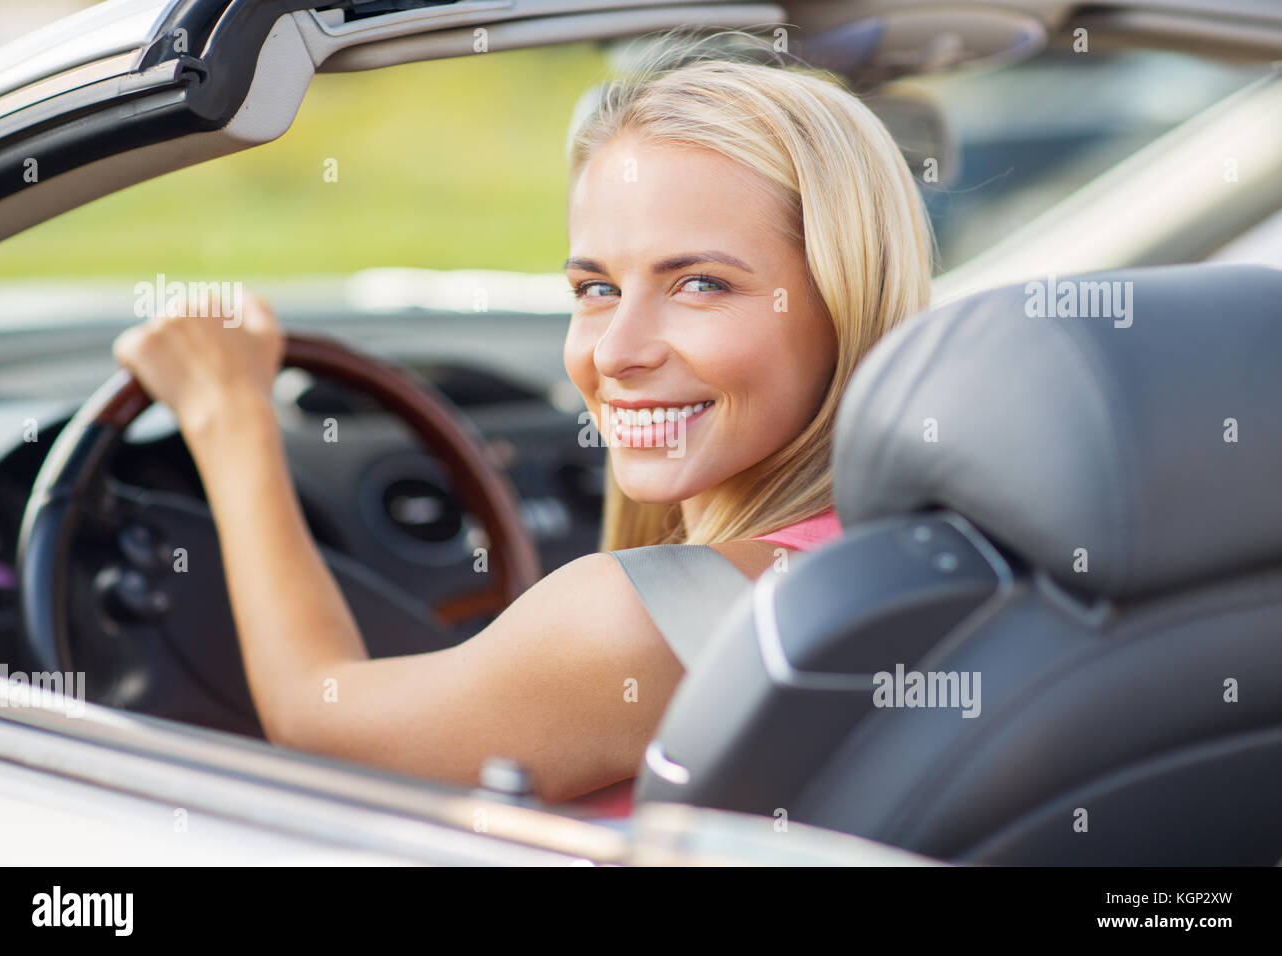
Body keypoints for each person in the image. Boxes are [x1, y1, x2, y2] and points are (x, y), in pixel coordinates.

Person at [110, 35, 934, 807]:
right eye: (596, 289)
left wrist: (228, 413)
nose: (616, 353)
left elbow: (317, 718)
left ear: (844, 302)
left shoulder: (640, 624)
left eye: (700, 285)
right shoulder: (923, 554)